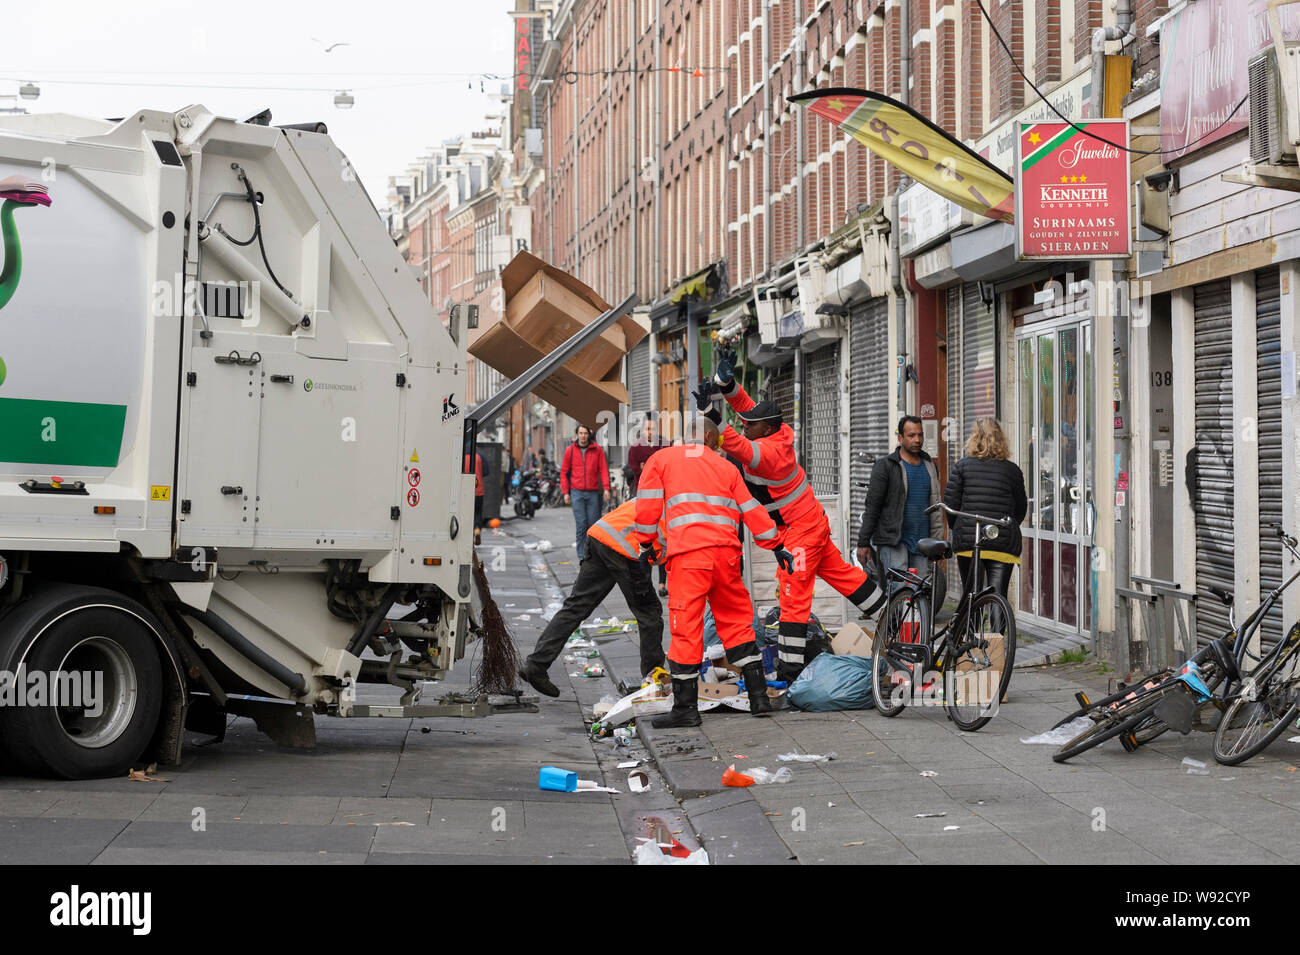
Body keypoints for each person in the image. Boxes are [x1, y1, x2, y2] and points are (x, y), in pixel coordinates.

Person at [696, 348, 885, 683]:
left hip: (800, 530)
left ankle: (789, 672)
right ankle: (895, 617)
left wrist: (710, 411)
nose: (745, 426)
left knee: (793, 595)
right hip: (809, 522)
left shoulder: (766, 454)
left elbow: (736, 443)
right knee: (844, 576)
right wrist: (727, 384)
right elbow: (749, 410)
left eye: (751, 426)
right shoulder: (776, 431)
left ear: (766, 429)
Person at [633, 417, 796, 727]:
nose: (720, 444)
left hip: (689, 559)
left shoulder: (662, 460)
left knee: (686, 630)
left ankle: (685, 709)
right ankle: (759, 698)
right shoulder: (727, 468)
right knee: (737, 624)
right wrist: (777, 546)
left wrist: (646, 544)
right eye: (719, 439)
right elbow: (751, 509)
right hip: (726, 557)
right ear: (709, 436)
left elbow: (647, 505)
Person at [518, 500, 668, 697]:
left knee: (576, 606)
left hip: (600, 535)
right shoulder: (686, 509)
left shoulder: (664, 493)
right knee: (649, 613)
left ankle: (536, 665)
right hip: (626, 549)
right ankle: (653, 681)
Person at [856, 415, 946, 594]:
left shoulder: (929, 465)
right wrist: (863, 541)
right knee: (899, 590)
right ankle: (894, 614)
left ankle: (912, 615)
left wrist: (938, 543)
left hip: (922, 542)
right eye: (911, 435)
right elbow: (873, 506)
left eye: (920, 435)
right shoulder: (886, 466)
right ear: (900, 438)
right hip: (894, 541)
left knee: (920, 592)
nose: (917, 440)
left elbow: (936, 506)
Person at [944, 418, 1028, 603]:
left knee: (971, 595)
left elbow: (951, 505)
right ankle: (998, 622)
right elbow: (1021, 508)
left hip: (970, 542)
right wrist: (1007, 527)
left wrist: (959, 528)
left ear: (974, 438)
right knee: (998, 595)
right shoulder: (1012, 470)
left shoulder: (962, 467)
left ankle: (970, 621)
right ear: (1001, 439)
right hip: (1002, 543)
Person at [627, 418, 670, 594]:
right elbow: (636, 469)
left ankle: (662, 583)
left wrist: (648, 466)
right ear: (642, 431)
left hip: (662, 497)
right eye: (647, 429)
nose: (650, 432)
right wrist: (652, 468)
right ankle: (646, 582)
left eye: (653, 429)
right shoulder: (635, 448)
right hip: (643, 497)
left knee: (663, 540)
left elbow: (667, 468)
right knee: (645, 539)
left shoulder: (664, 445)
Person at [560, 424, 610, 559]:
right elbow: (564, 472)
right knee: (581, 524)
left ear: (589, 435)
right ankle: (582, 556)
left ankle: (593, 554)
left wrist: (606, 488)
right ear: (577, 434)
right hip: (576, 492)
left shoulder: (597, 450)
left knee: (593, 525)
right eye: (581, 433)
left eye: (585, 433)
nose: (583, 436)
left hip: (593, 492)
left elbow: (603, 469)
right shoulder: (570, 451)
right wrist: (565, 492)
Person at [465, 450, 485, 545]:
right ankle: (477, 531)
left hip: (465, 491)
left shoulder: (460, 455)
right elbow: (486, 471)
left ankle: (467, 537)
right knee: (477, 513)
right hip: (478, 490)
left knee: (465, 514)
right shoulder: (479, 456)